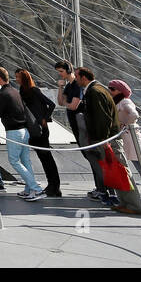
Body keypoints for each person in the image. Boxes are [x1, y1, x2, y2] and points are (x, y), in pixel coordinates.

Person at [78, 67, 141, 215]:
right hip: (109, 138)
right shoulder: (97, 90)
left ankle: (135, 205)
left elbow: (102, 118)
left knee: (121, 170)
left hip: (108, 139)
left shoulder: (95, 92)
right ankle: (125, 202)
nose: (76, 79)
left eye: (77, 76)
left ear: (84, 78)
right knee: (116, 171)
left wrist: (103, 139)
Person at [0, 68, 43, 200]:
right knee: (25, 160)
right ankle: (28, 189)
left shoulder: (3, 93)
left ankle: (36, 189)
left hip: (13, 131)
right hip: (24, 130)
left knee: (14, 161)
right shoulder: (15, 91)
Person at [56, 60, 104, 198]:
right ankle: (100, 187)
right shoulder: (69, 86)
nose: (60, 74)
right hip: (76, 125)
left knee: (92, 156)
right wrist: (60, 88)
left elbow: (73, 106)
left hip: (82, 126)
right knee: (89, 156)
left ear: (69, 70)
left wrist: (67, 103)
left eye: (61, 71)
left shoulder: (77, 86)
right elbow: (61, 102)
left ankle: (103, 188)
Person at [15, 68, 59, 197]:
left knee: (46, 158)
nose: (16, 79)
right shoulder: (23, 91)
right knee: (43, 158)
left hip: (40, 129)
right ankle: (52, 185)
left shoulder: (33, 91)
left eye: (18, 77)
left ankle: (55, 186)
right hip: (33, 129)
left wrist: (45, 119)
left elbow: (51, 104)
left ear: (24, 78)